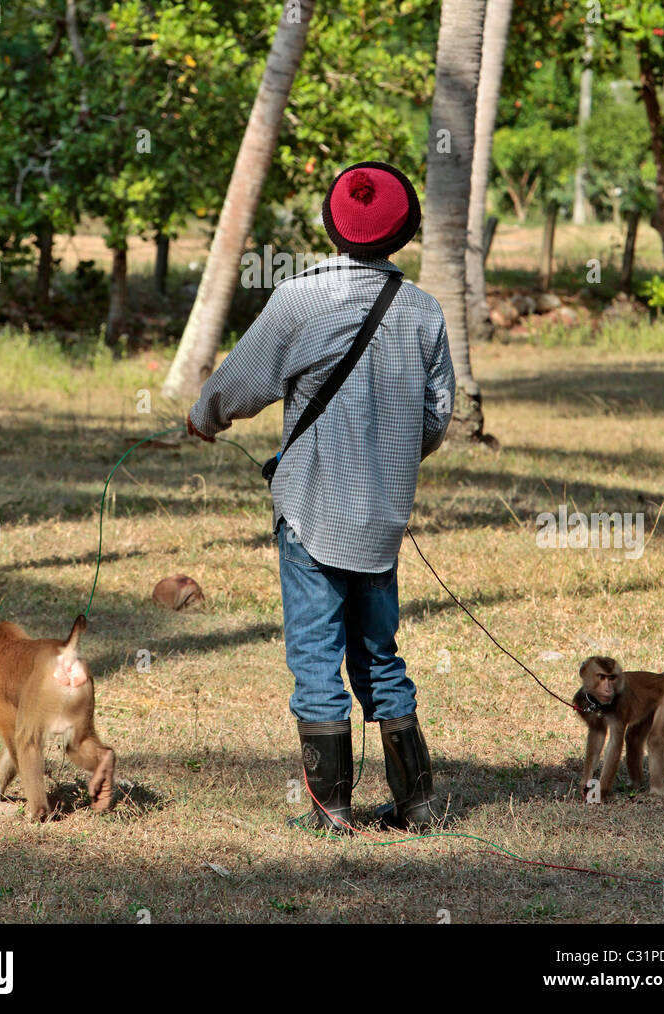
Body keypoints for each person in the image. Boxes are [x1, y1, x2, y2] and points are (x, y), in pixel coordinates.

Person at [187, 161, 455, 831]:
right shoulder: (424, 311)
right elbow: (436, 417)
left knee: (314, 653)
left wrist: (204, 417)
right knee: (378, 652)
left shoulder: (299, 299)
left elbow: (240, 384)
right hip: (381, 515)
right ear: (406, 231)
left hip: (310, 510)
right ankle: (418, 804)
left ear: (333, 226)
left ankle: (327, 807)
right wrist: (391, 459)